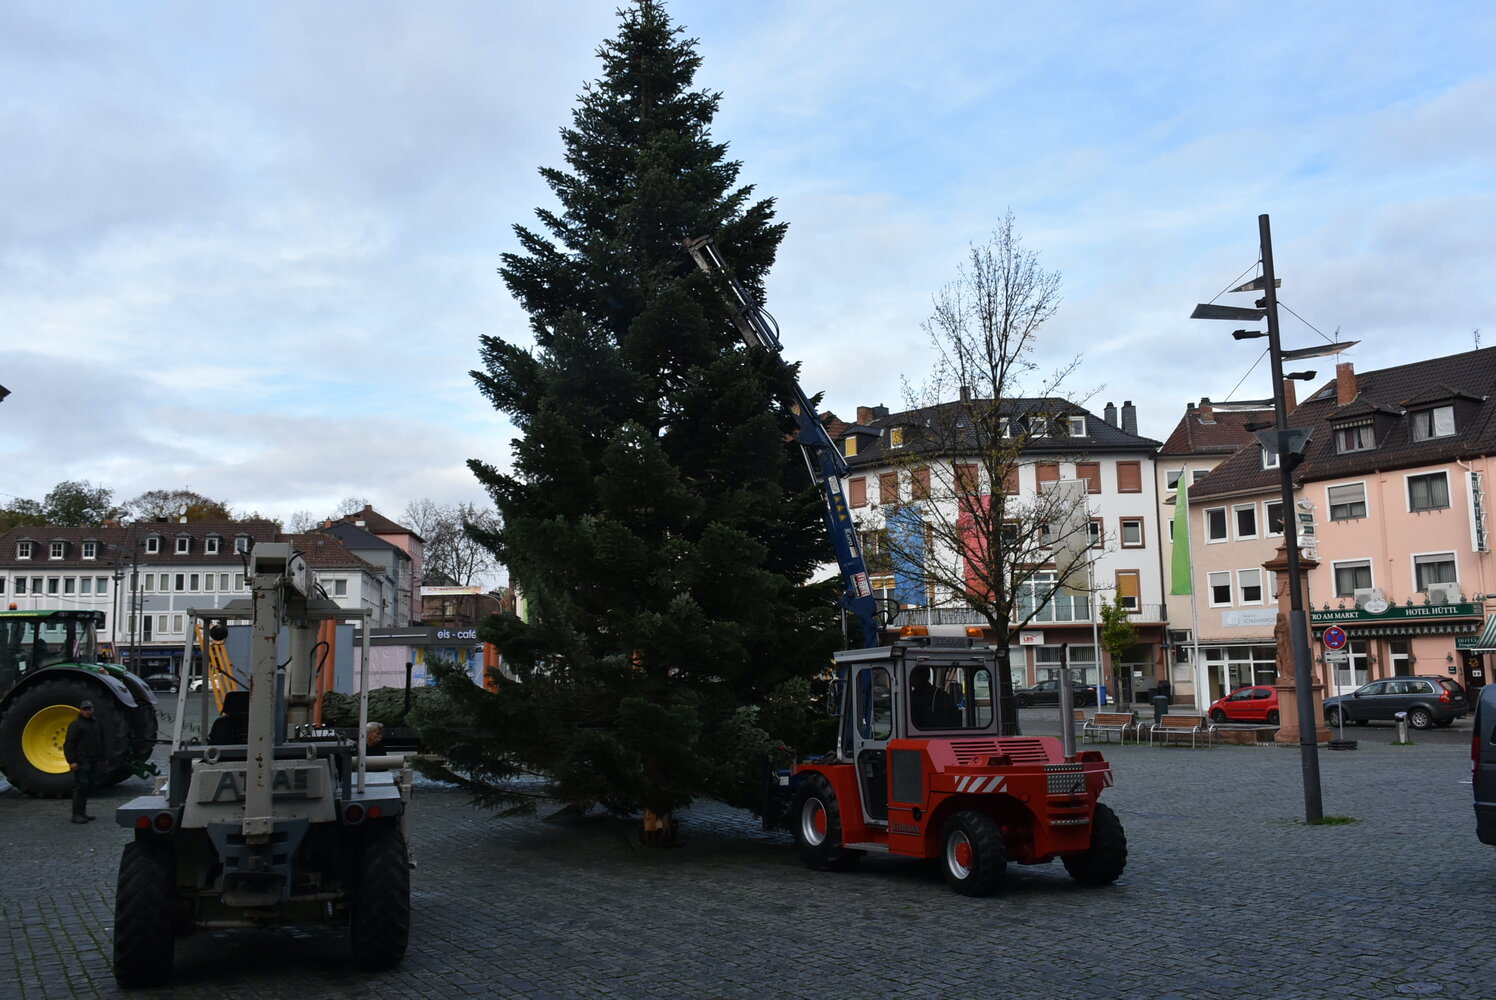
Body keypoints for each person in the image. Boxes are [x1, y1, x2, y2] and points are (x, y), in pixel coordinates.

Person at [64, 700, 104, 824]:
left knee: (87, 786)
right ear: (81, 710)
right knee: (80, 787)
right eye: (85, 709)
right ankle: (76, 815)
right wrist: (72, 761)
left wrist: (103, 757)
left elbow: (100, 740)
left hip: (93, 759)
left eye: (89, 709)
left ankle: (82, 813)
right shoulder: (76, 725)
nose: (87, 711)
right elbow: (69, 744)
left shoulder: (96, 723)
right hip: (81, 760)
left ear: (93, 709)